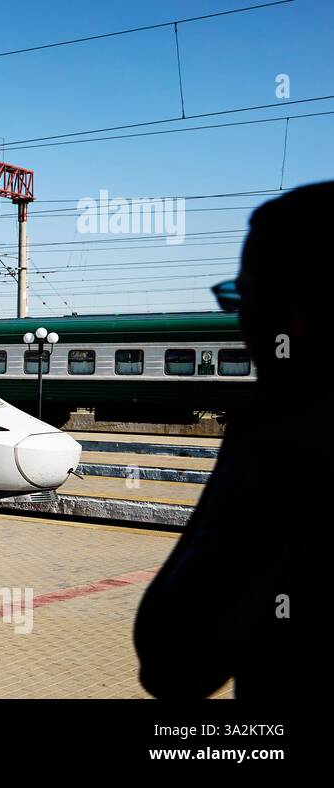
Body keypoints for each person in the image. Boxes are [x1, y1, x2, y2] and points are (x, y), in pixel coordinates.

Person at [133, 182, 328, 698]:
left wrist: (253, 449)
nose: (240, 321)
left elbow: (173, 660)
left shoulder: (292, 444)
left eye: (243, 299)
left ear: (295, 314)